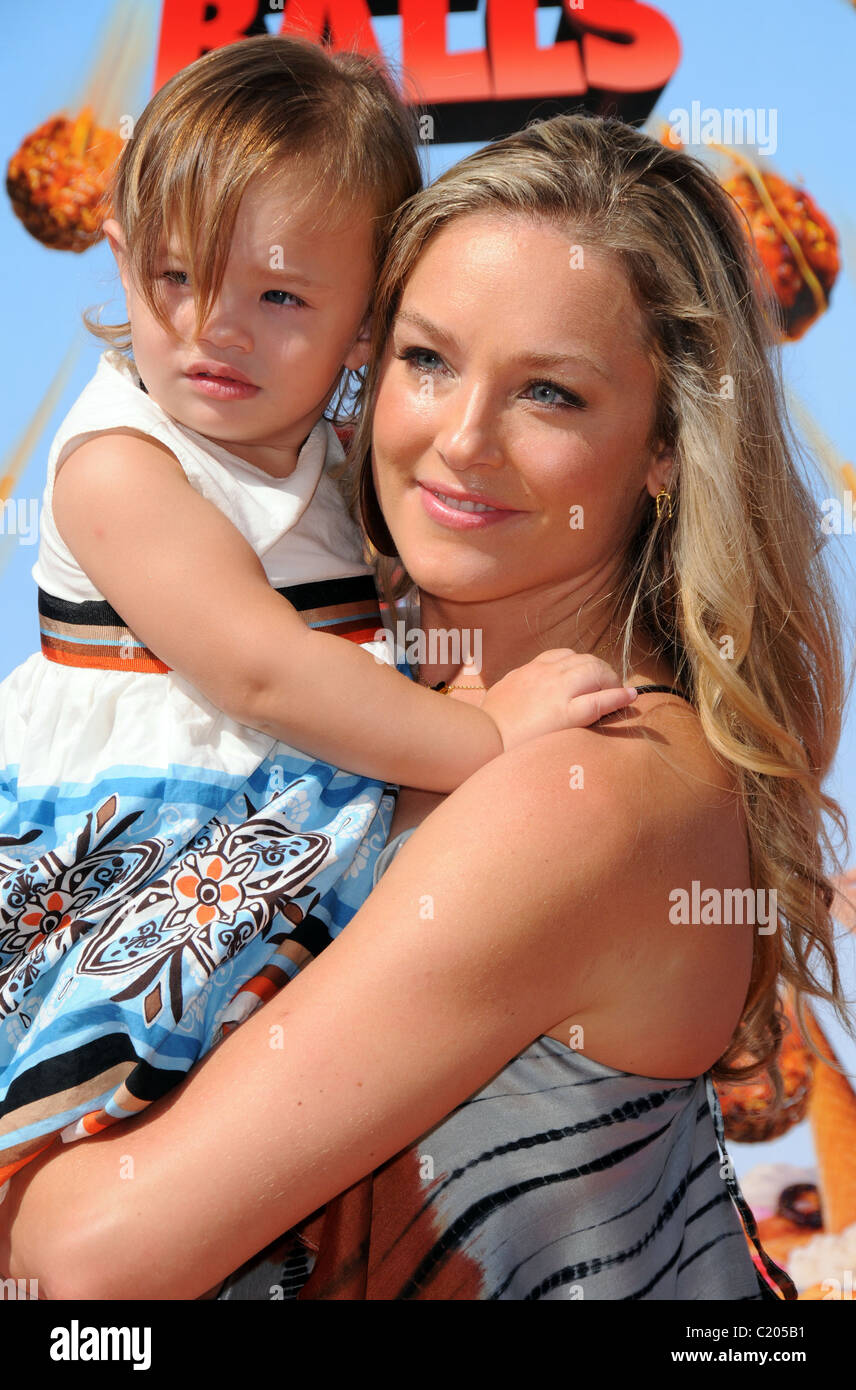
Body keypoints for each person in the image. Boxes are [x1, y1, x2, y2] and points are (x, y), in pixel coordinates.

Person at [1, 112, 852, 1301]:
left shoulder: (584, 784)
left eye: (549, 393)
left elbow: (88, 1265)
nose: (460, 441)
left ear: (664, 444)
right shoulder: (377, 697)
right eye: (428, 359)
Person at [0, 42, 637, 1202]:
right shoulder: (116, 465)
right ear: (119, 259)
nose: (213, 330)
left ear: (365, 325)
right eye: (174, 277)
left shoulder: (335, 457)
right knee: (136, 1140)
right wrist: (488, 738)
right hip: (139, 849)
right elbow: (264, 677)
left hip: (273, 817)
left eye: (279, 295)